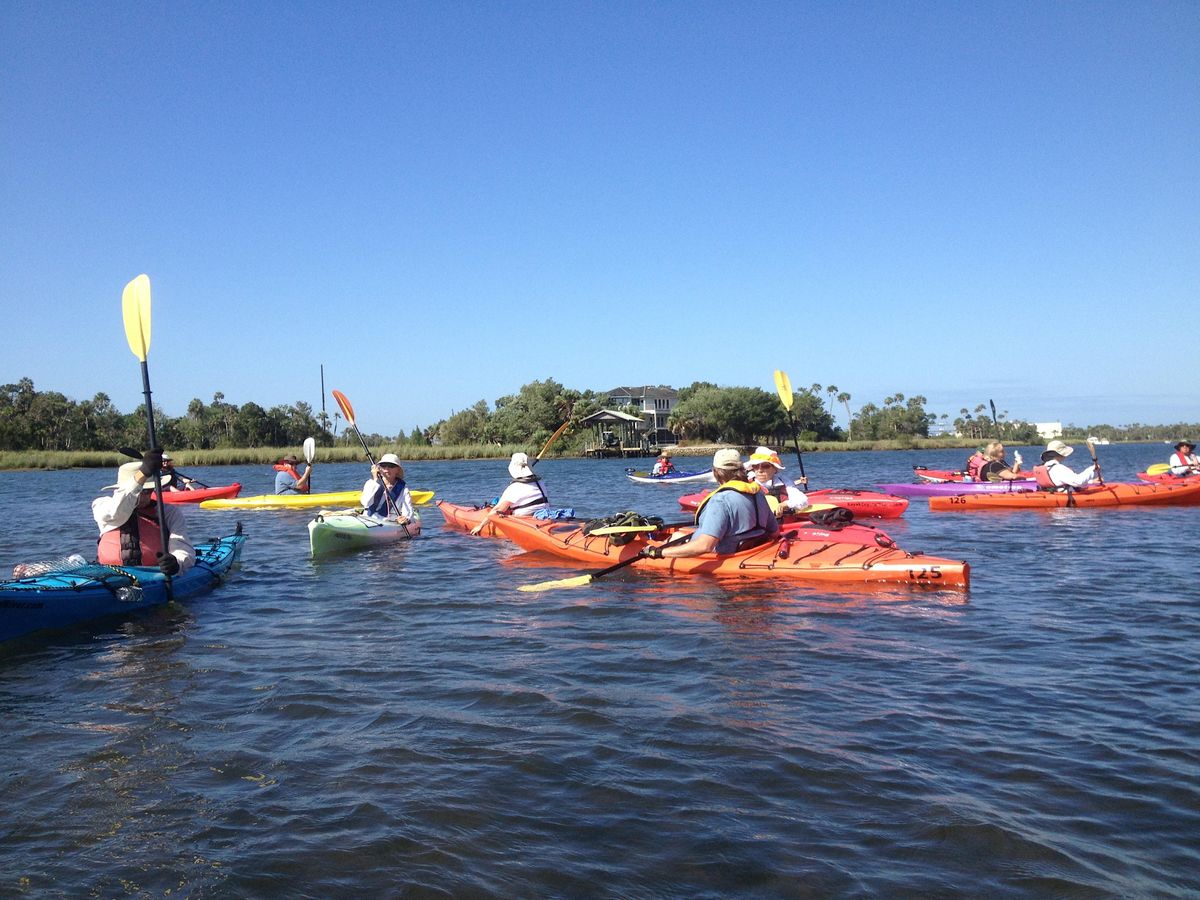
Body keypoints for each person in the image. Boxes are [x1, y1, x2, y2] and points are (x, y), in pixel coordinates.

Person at [645, 448, 779, 559]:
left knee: (675, 537)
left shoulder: (720, 500)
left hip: (728, 553)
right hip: (752, 547)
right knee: (678, 535)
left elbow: (705, 546)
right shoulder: (758, 493)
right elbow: (774, 532)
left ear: (716, 473)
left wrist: (659, 552)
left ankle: (657, 546)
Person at [92, 450, 195, 575]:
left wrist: (176, 563)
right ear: (121, 490)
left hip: (153, 576)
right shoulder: (102, 505)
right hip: (110, 574)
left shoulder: (168, 512)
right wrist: (142, 475)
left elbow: (183, 549)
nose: (145, 496)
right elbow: (117, 512)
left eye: (148, 491)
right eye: (140, 491)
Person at [469, 452, 550, 535]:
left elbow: (497, 510)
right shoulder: (540, 483)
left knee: (498, 506)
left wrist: (480, 525)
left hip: (524, 521)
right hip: (544, 518)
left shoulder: (515, 487)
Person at [744, 446, 809, 513]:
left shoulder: (784, 481)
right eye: (756, 466)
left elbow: (803, 501)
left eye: (765, 466)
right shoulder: (746, 482)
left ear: (775, 469)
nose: (759, 470)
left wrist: (784, 505)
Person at [361, 453, 415, 524]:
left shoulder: (403, 488)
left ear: (397, 470)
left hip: (389, 522)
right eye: (383, 466)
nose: (387, 468)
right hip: (369, 519)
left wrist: (406, 518)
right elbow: (365, 503)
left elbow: (407, 510)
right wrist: (375, 480)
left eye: (391, 466)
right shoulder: (370, 483)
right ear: (379, 468)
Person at [1032, 439, 1100, 490]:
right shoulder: (1058, 469)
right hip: (1062, 505)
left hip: (1053, 496)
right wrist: (1092, 469)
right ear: (1060, 454)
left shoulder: (1045, 466)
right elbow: (1079, 481)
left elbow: (1065, 480)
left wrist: (1091, 481)